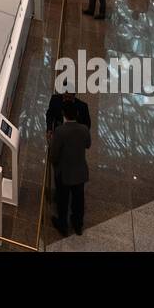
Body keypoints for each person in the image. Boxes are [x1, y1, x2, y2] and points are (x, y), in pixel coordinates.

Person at [49, 99, 91, 237]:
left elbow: (54, 154)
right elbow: (88, 145)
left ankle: (63, 225)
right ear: (77, 114)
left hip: (64, 173)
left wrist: (54, 162)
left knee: (63, 200)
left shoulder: (60, 132)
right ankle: (78, 225)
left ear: (63, 114)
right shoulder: (84, 129)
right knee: (78, 201)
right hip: (80, 172)